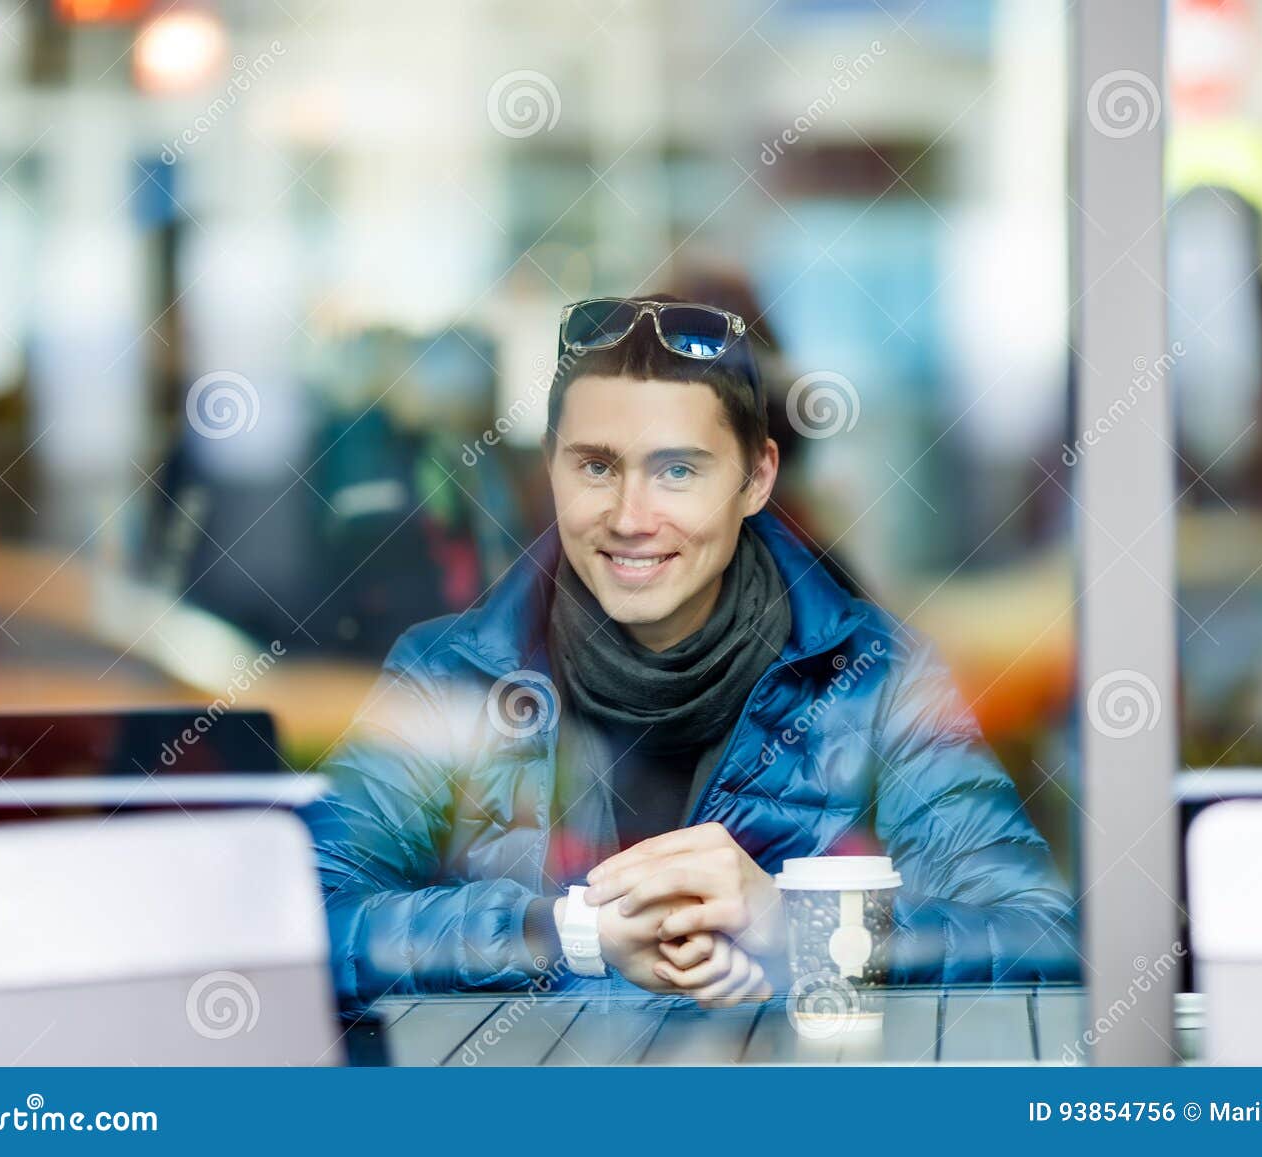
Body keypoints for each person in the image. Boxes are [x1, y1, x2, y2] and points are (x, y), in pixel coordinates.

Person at [302, 295, 1078, 1014]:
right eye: (597, 466)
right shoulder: (451, 674)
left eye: (678, 470)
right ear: (553, 468)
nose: (631, 517)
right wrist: (567, 932)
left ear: (756, 479)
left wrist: (798, 928)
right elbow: (311, 924)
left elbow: (1037, 936)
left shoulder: (873, 676)